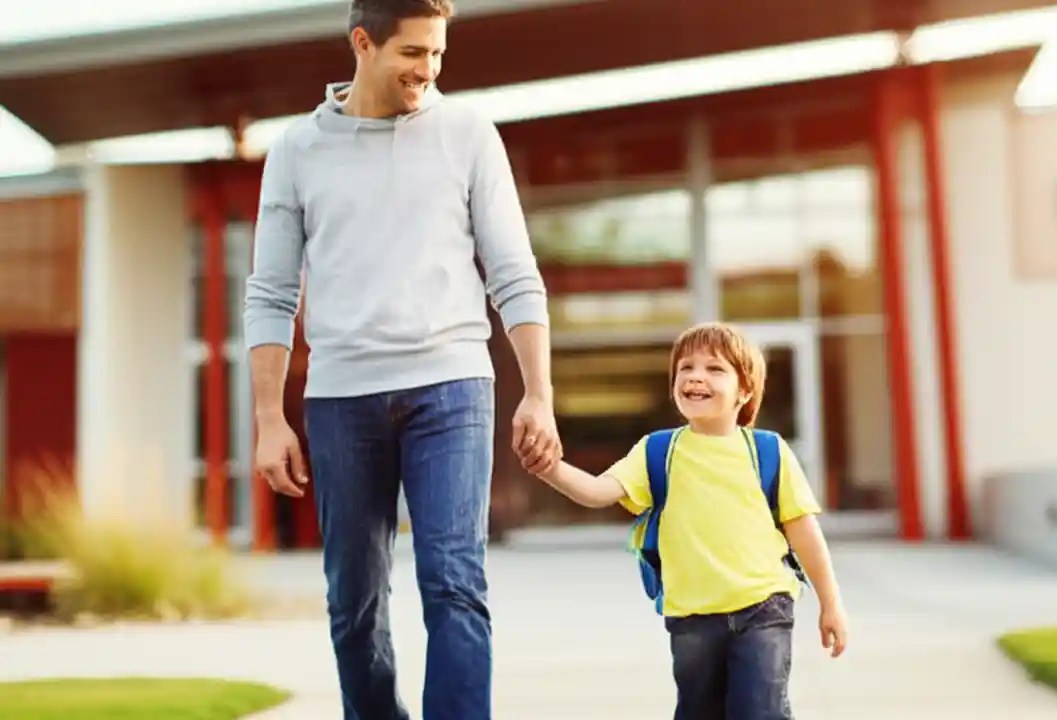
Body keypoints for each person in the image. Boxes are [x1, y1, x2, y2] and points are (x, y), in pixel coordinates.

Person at [242, 1, 560, 718]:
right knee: (354, 600)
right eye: (413, 53)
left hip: (452, 386)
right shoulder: (298, 150)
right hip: (342, 397)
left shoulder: (468, 134)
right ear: (363, 42)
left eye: (438, 53)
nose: (429, 70)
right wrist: (269, 417)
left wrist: (538, 392)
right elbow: (270, 292)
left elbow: (514, 272)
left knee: (454, 583)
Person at [534, 322, 849, 720]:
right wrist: (550, 468)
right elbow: (598, 491)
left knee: (760, 711)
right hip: (692, 619)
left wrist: (831, 604)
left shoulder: (768, 452)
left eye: (715, 369)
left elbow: (804, 534)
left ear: (745, 390)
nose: (696, 376)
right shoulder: (658, 451)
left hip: (764, 608)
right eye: (686, 368)